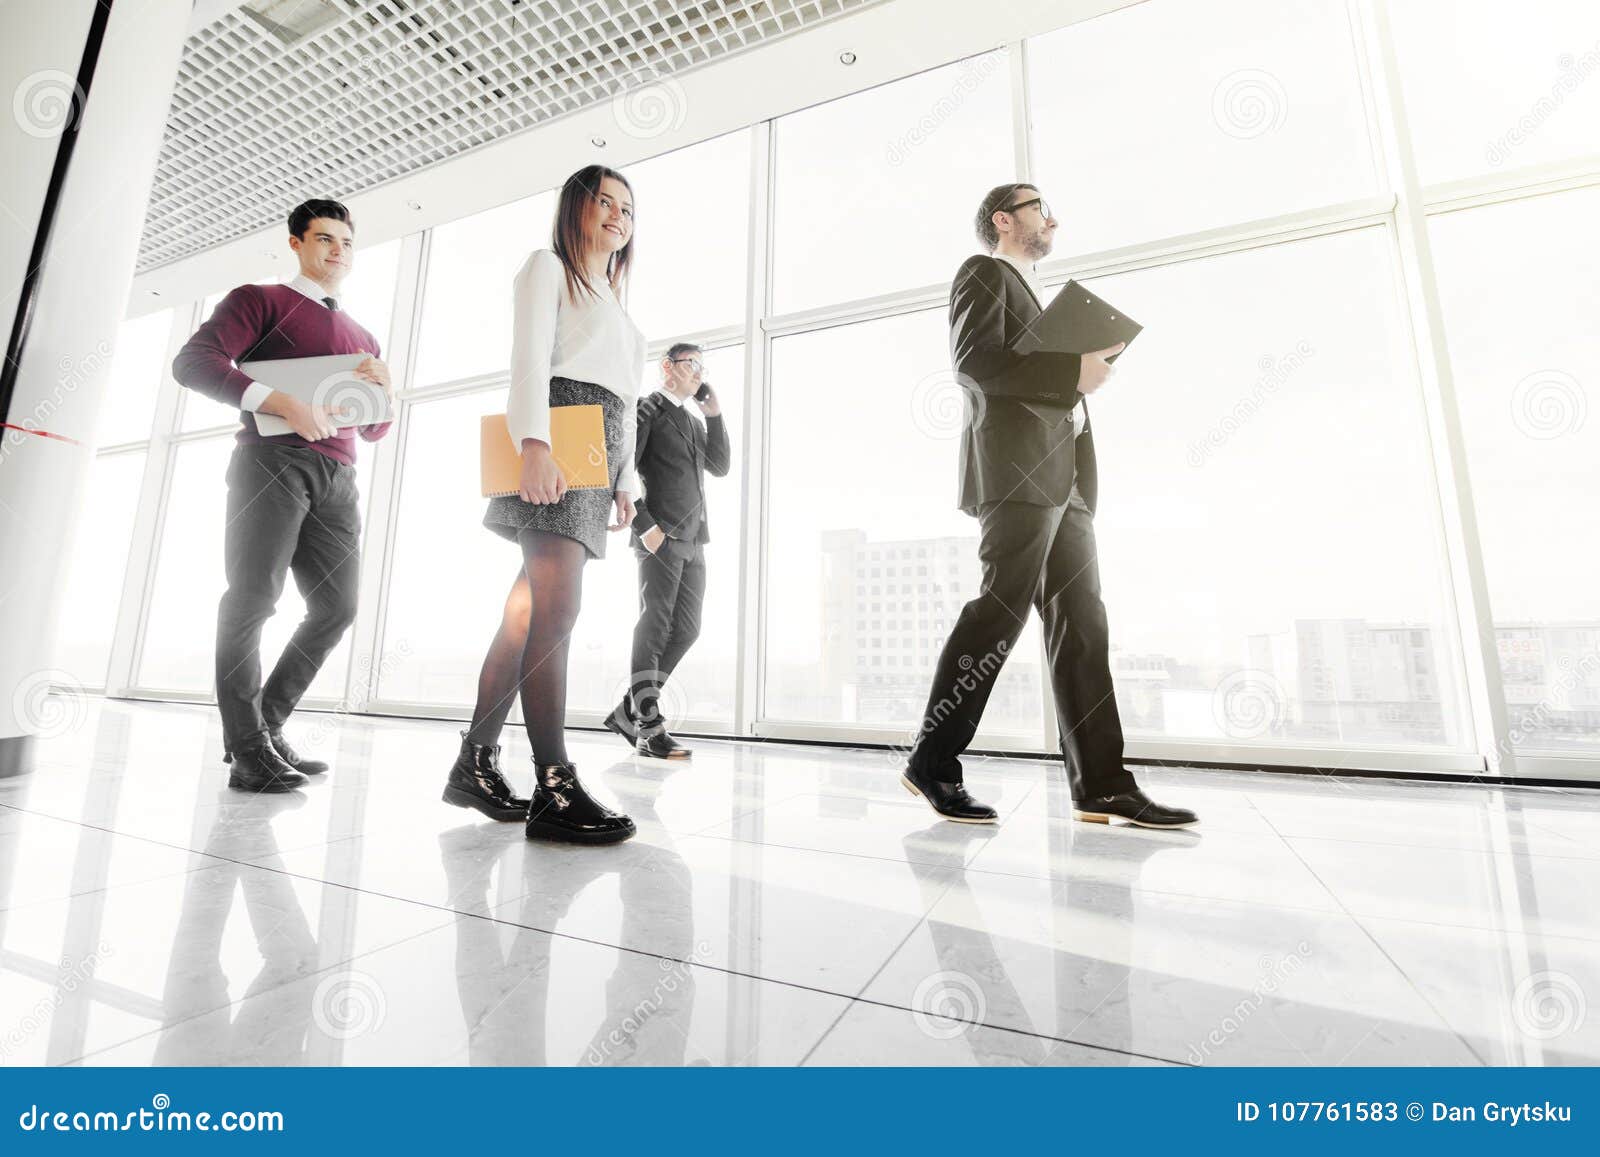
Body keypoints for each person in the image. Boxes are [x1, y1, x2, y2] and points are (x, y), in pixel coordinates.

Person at [900, 183, 1198, 829]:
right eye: (1040, 207)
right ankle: (932, 762)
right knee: (998, 614)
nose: (1053, 217)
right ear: (1004, 219)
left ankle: (1103, 785)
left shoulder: (1033, 294)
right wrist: (1071, 375)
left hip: (1065, 480)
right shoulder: (984, 272)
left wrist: (1081, 371)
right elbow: (975, 363)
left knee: (1083, 625)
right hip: (1016, 472)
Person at [442, 164, 642, 845]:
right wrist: (533, 442)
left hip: (597, 453)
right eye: (605, 202)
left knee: (527, 611)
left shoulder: (621, 310)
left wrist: (627, 480)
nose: (618, 215)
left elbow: (627, 407)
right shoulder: (547, 268)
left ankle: (474, 762)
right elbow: (528, 359)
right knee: (555, 609)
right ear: (575, 210)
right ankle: (554, 783)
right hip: (557, 439)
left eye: (628, 208)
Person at [173, 198, 393, 794]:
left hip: (340, 477)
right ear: (296, 242)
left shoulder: (363, 336)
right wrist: (280, 401)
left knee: (337, 608)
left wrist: (385, 389)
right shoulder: (260, 300)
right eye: (324, 239)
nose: (337, 251)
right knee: (252, 599)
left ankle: (265, 728)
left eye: (346, 242)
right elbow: (193, 363)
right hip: (272, 462)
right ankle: (247, 748)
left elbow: (373, 429)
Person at [602, 341, 730, 759]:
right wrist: (646, 526)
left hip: (695, 540)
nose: (698, 372)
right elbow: (621, 471)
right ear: (667, 367)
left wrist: (714, 415)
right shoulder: (648, 409)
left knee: (687, 628)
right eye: (692, 364)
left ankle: (629, 709)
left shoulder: (693, 423)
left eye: (701, 366)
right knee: (655, 624)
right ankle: (649, 727)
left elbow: (721, 465)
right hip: (659, 536)